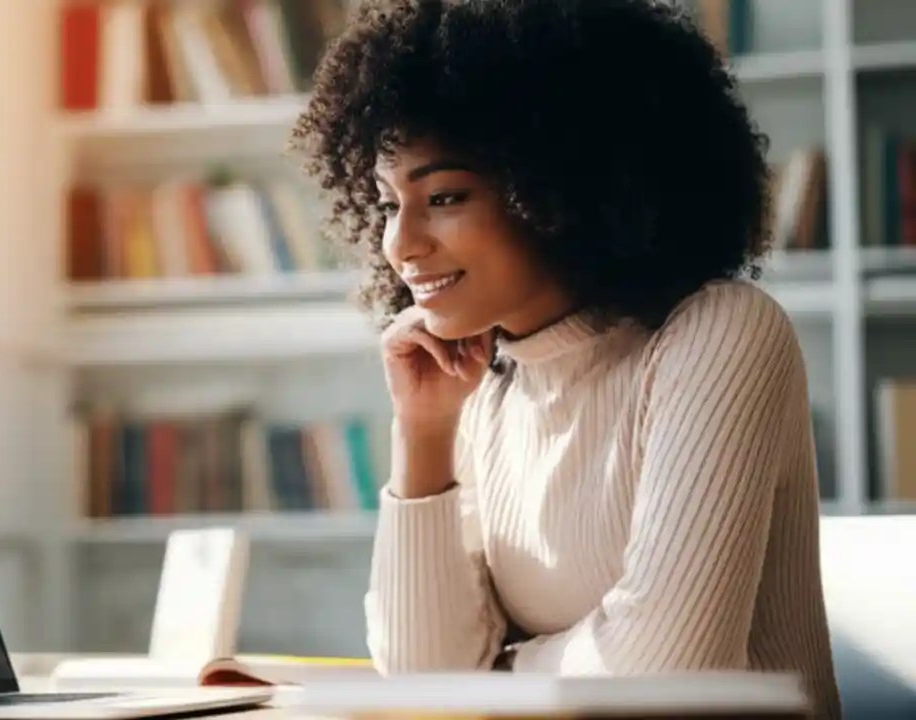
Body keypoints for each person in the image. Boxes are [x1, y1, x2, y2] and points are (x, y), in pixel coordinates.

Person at [289, 1, 841, 718]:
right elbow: (423, 675)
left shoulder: (720, 333)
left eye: (444, 197)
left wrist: (497, 672)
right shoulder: (486, 385)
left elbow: (667, 674)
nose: (401, 244)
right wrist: (422, 432)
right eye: (389, 203)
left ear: (559, 186)